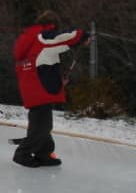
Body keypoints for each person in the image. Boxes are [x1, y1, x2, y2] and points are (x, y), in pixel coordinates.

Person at [12, 11, 91, 167]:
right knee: (42, 126)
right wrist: (83, 36)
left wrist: (58, 82)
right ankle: (22, 154)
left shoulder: (31, 39)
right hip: (40, 89)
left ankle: (44, 154)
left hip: (35, 88)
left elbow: (42, 64)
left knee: (41, 125)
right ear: (52, 25)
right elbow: (65, 37)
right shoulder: (43, 37)